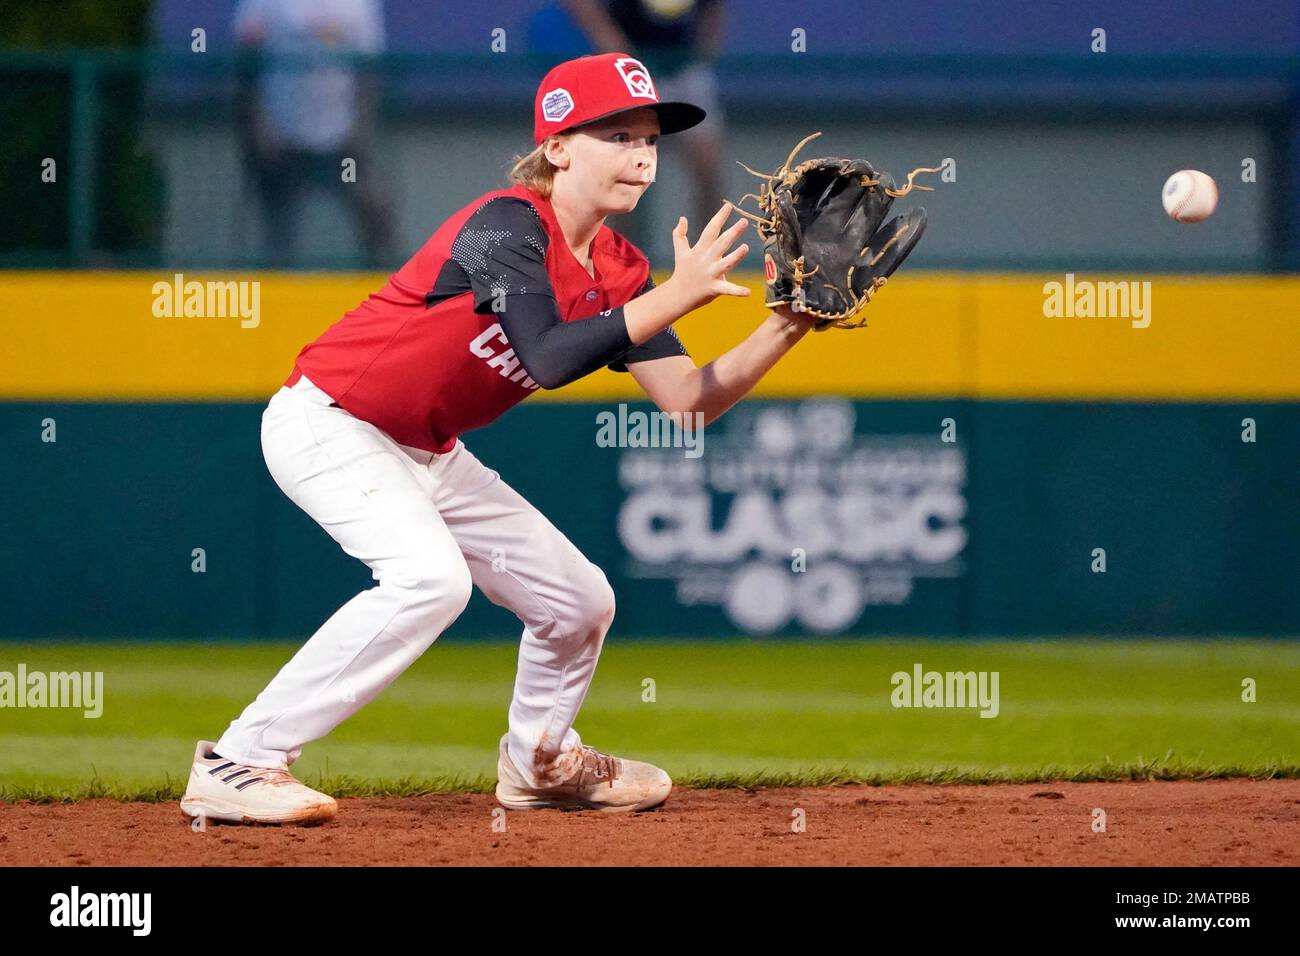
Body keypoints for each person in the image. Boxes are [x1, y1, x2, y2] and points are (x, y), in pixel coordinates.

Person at [180, 51, 818, 825]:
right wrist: (676, 298)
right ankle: (240, 758)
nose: (643, 155)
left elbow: (687, 403)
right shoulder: (503, 225)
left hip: (427, 449)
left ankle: (539, 763)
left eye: (650, 138)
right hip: (329, 422)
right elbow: (547, 358)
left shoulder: (620, 268)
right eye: (616, 135)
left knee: (579, 601)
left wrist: (786, 326)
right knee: (429, 580)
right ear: (557, 147)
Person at [234, 0, 394, 267]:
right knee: (277, 224)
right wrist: (260, 123)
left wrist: (359, 131)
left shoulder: (359, 6)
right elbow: (247, 61)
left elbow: (368, 71)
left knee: (374, 208)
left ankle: (384, 291)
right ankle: (274, 293)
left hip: (342, 138)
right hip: (282, 136)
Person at [565, 0, 728, 253]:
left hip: (684, 67)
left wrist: (705, 41)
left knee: (707, 165)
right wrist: (612, 42)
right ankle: (616, 260)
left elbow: (712, 13)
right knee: (622, 172)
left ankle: (711, 258)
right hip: (630, 69)